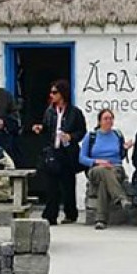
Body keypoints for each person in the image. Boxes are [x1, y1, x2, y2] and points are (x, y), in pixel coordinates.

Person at [31, 79, 86, 226]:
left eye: (55, 92)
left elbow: (82, 131)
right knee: (51, 185)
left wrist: (71, 137)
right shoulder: (50, 112)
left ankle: (70, 213)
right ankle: (51, 215)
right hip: (52, 151)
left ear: (62, 94)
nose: (52, 95)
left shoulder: (75, 112)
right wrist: (40, 128)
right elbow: (47, 128)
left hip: (67, 152)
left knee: (68, 184)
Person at [79, 109, 134, 230]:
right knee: (103, 171)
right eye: (106, 118)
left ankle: (101, 220)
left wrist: (125, 149)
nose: (109, 121)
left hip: (115, 168)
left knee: (104, 181)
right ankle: (120, 197)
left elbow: (120, 156)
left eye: (111, 118)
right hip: (96, 169)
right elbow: (81, 158)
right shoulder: (91, 136)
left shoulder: (117, 135)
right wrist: (97, 161)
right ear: (100, 121)